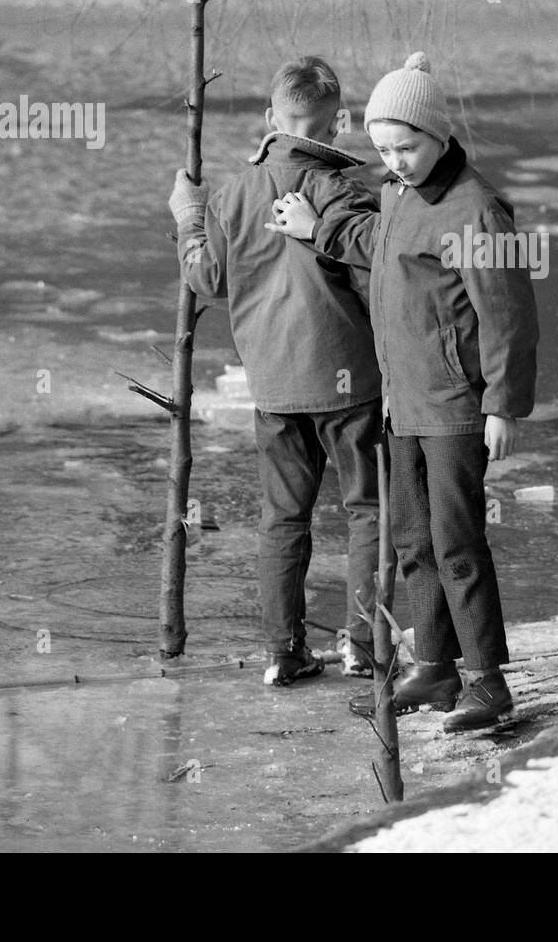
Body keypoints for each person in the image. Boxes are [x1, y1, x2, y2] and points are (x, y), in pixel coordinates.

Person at [273, 51, 538, 732]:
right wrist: (319, 228)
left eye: (408, 146)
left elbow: (507, 311)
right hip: (404, 402)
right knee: (413, 541)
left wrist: (502, 400)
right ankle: (435, 667)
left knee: (456, 543)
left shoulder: (476, 209)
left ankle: (487, 680)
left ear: (438, 134)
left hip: (456, 404)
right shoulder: (396, 194)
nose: (396, 160)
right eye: (385, 149)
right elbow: (379, 246)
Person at [167, 56, 382, 688]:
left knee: (283, 519)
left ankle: (282, 651)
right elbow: (378, 285)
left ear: (270, 119)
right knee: (368, 510)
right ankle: (364, 645)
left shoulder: (232, 194)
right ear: (337, 125)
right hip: (351, 382)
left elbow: (208, 280)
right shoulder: (342, 192)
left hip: (274, 387)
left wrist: (188, 216)